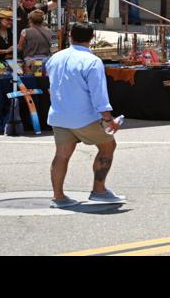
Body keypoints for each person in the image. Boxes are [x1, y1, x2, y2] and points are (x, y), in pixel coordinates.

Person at [45, 22, 124, 207]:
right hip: (83, 116)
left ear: (70, 35)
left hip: (59, 114)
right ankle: (99, 190)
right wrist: (108, 118)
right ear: (92, 38)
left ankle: (58, 196)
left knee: (62, 154)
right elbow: (98, 93)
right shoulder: (92, 61)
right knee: (107, 147)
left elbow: (51, 84)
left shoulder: (55, 57)